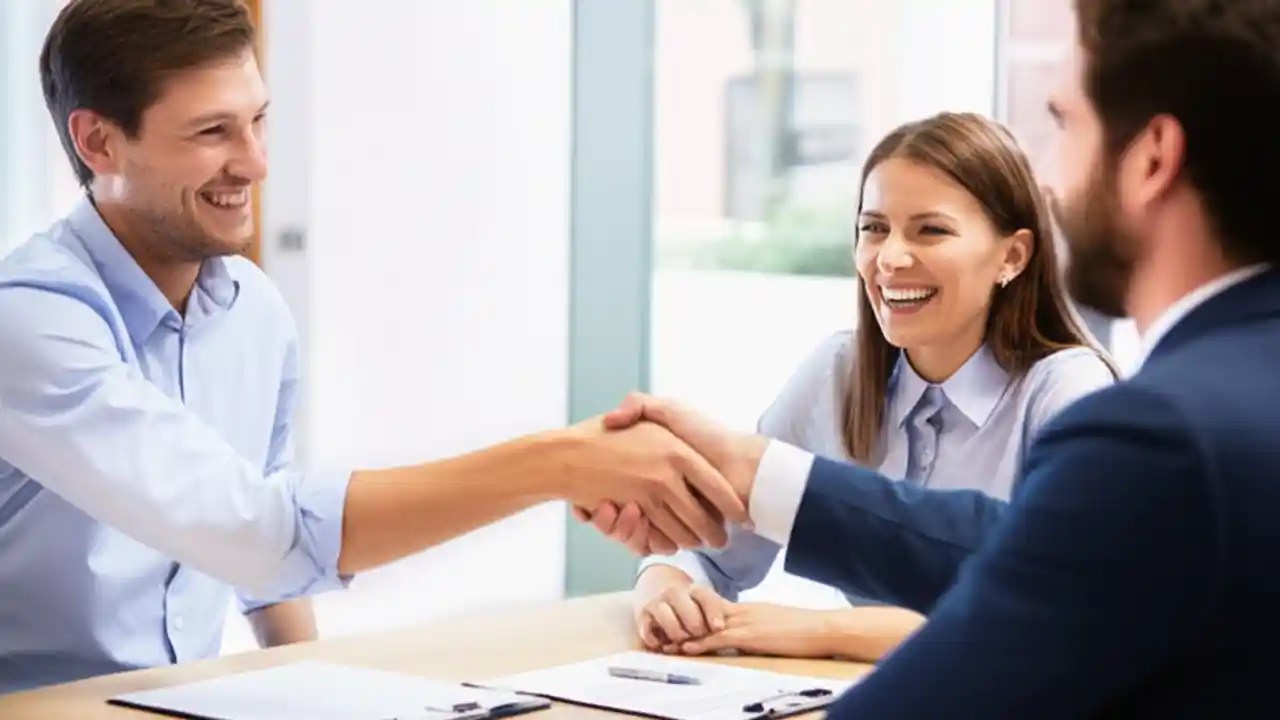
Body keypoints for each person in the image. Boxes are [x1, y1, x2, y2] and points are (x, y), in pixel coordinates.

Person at [0, 0, 743, 694]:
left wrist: (314, 683)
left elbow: (266, 565)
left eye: (259, 121)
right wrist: (562, 464)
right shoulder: (31, 322)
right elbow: (260, 535)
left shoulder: (251, 312)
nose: (256, 163)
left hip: (171, 701)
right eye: (211, 132)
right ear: (98, 141)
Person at [595, 0, 1280, 715]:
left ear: (1151, 159)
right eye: (874, 228)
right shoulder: (1235, 395)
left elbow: (1008, 601)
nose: (1049, 173)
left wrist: (816, 621)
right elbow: (1009, 556)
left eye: (1064, 124)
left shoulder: (1153, 435)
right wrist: (741, 486)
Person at [591, 113, 1115, 660]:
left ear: (1012, 255)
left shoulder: (1067, 393)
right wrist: (665, 587)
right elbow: (714, 546)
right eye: (874, 228)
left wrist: (821, 633)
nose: (889, 258)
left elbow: (1052, 612)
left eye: (930, 230)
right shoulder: (837, 372)